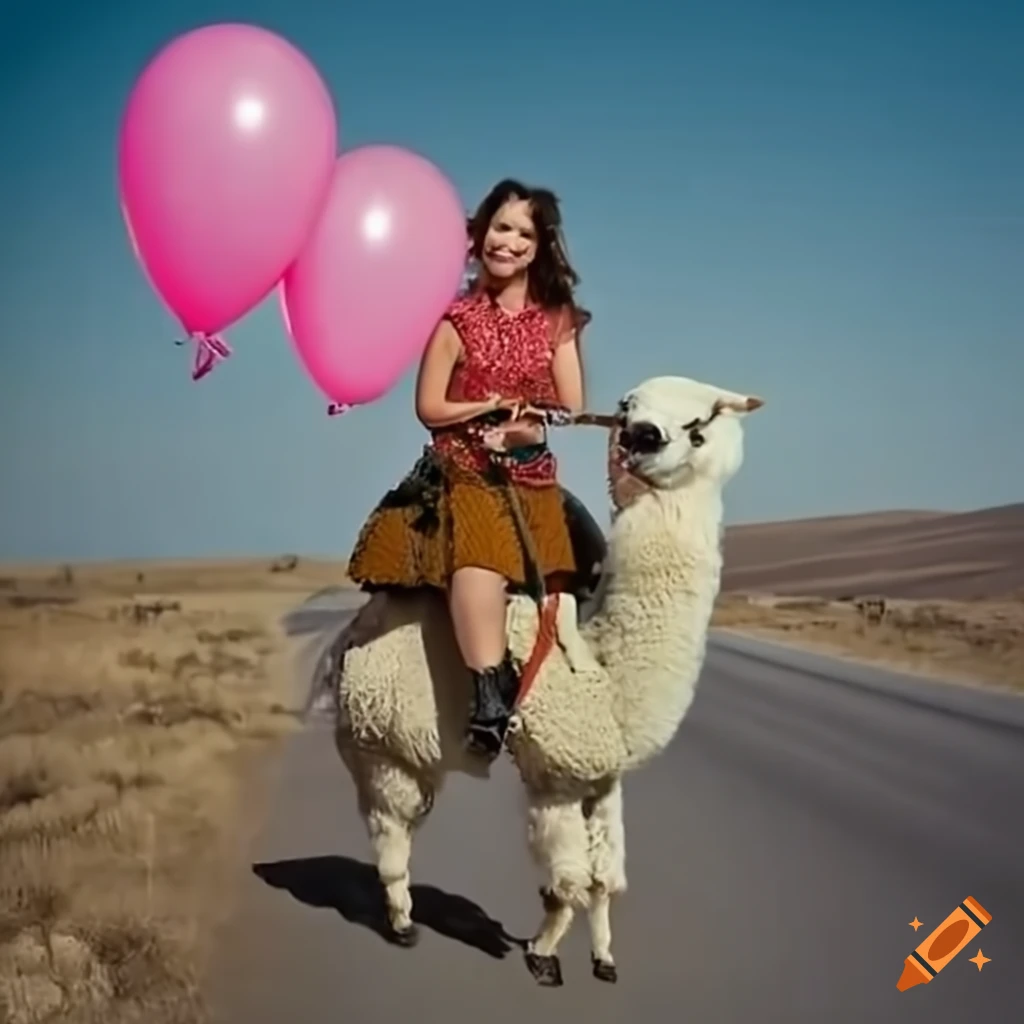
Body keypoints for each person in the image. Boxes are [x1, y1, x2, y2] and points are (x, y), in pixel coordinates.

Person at [346, 178, 597, 760]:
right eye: (499, 227)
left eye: (522, 233)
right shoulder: (454, 321)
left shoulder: (559, 322)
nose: (507, 241)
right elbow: (428, 408)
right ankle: (490, 693)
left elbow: (571, 404)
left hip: (533, 474)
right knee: (478, 564)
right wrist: (485, 408)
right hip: (465, 471)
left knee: (590, 562)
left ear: (540, 247)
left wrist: (530, 425)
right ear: (479, 234)